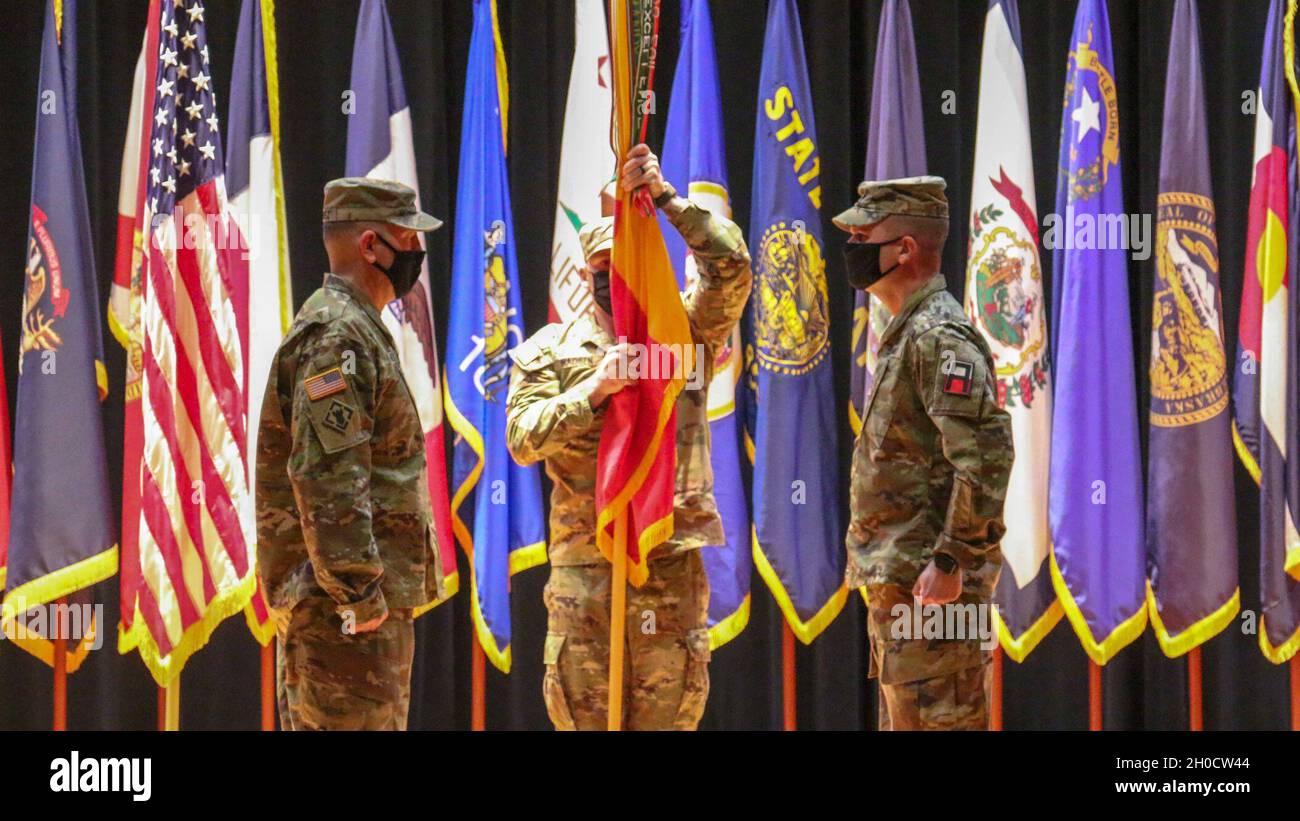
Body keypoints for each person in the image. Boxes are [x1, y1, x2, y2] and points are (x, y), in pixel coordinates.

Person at [505, 144, 752, 730]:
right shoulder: (551, 351)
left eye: (630, 273)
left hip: (666, 574)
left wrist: (666, 200)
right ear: (586, 274)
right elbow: (521, 438)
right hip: (586, 579)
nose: (618, 286)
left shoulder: (684, 338)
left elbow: (733, 268)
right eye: (605, 273)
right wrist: (591, 392)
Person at [255, 177, 445, 730]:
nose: (416, 253)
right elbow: (327, 476)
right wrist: (357, 591)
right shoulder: (338, 336)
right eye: (407, 238)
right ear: (370, 246)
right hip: (343, 614)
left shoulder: (356, 327)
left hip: (347, 608)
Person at [833, 175, 1014, 731]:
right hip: (907, 593)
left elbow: (985, 454)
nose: (853, 251)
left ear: (904, 249)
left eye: (863, 238)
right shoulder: (908, 333)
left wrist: (951, 559)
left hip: (934, 594)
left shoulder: (938, 336)